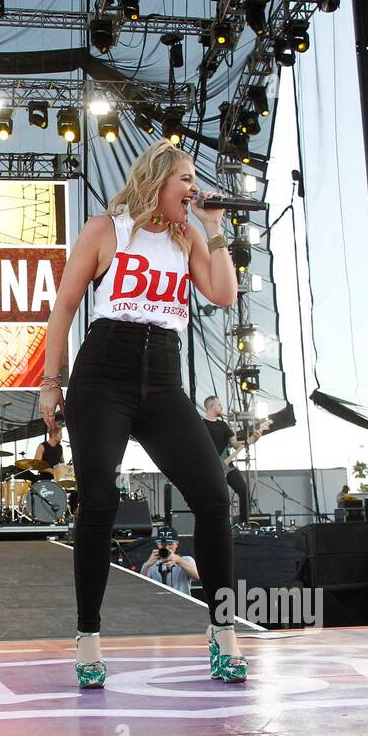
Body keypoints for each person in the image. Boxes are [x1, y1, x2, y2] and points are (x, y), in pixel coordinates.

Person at [39, 139, 246, 688]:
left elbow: (224, 294)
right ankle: (87, 637)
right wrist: (50, 383)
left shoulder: (188, 236)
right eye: (186, 179)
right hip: (104, 372)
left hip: (163, 379)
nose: (194, 188)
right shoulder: (107, 229)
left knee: (213, 495)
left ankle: (223, 633)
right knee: (100, 499)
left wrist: (215, 226)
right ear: (158, 179)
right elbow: (63, 306)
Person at [202, 396, 264, 526]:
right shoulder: (201, 425)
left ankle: (243, 523)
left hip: (227, 466)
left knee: (243, 490)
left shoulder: (223, 425)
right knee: (214, 498)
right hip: (209, 468)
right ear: (211, 405)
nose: (221, 407)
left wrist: (252, 440)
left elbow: (235, 444)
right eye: (219, 405)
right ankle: (214, 525)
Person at [140, 529, 199, 595]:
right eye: (162, 544)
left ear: (176, 544)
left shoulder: (186, 560)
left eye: (170, 544)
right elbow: (142, 585)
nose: (166, 547)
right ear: (157, 544)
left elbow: (196, 577)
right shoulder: (152, 562)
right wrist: (147, 565)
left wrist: (178, 560)